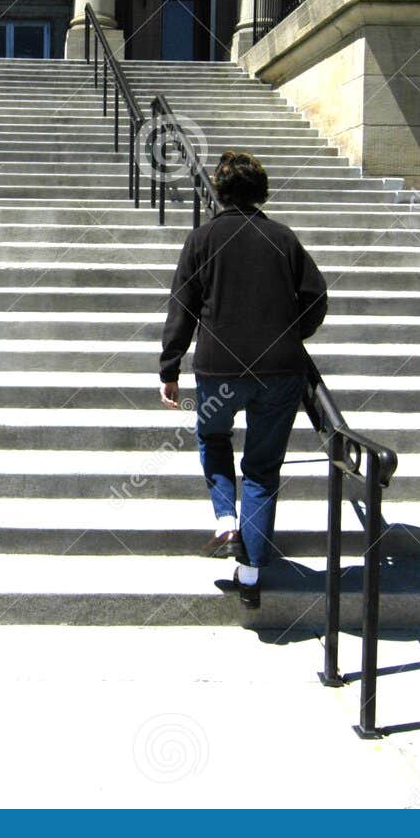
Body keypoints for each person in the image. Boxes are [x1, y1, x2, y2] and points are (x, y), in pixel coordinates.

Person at [158, 150, 328, 609]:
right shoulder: (283, 238)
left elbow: (182, 307)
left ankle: (226, 521)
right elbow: (316, 297)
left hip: (219, 370)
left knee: (213, 437)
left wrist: (170, 367)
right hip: (280, 370)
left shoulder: (202, 238)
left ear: (219, 191)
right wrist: (290, 333)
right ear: (262, 191)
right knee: (262, 468)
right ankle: (250, 576)